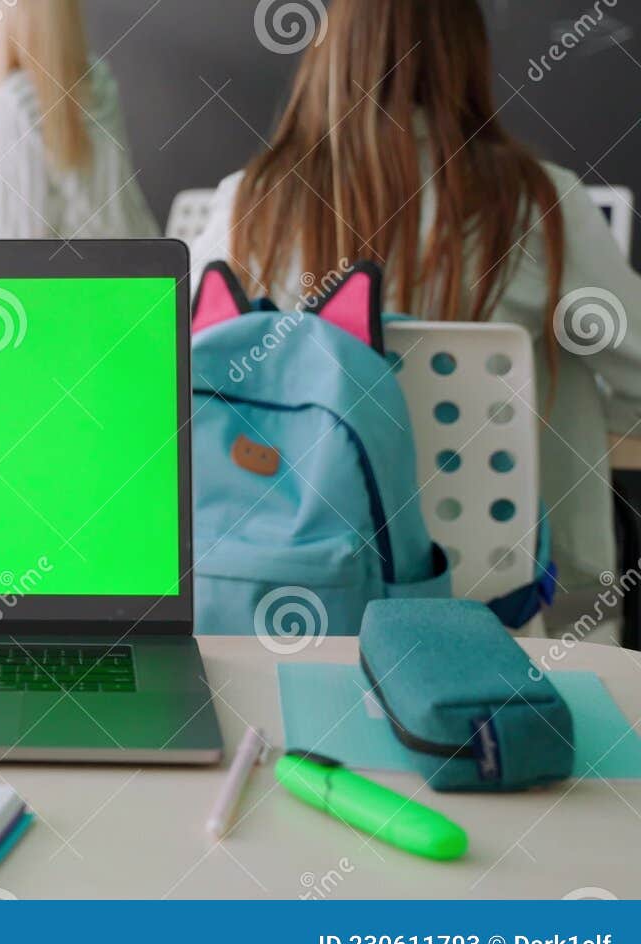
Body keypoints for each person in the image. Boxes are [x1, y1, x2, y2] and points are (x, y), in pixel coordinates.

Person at [187, 0, 641, 636]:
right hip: (510, 610)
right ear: (466, 57)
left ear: (330, 51)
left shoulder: (251, 200)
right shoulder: (541, 199)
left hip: (306, 592)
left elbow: (189, 371)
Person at [0, 0, 158, 241]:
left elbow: (24, 243)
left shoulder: (16, 101)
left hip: (85, 282)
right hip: (146, 268)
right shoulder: (97, 77)